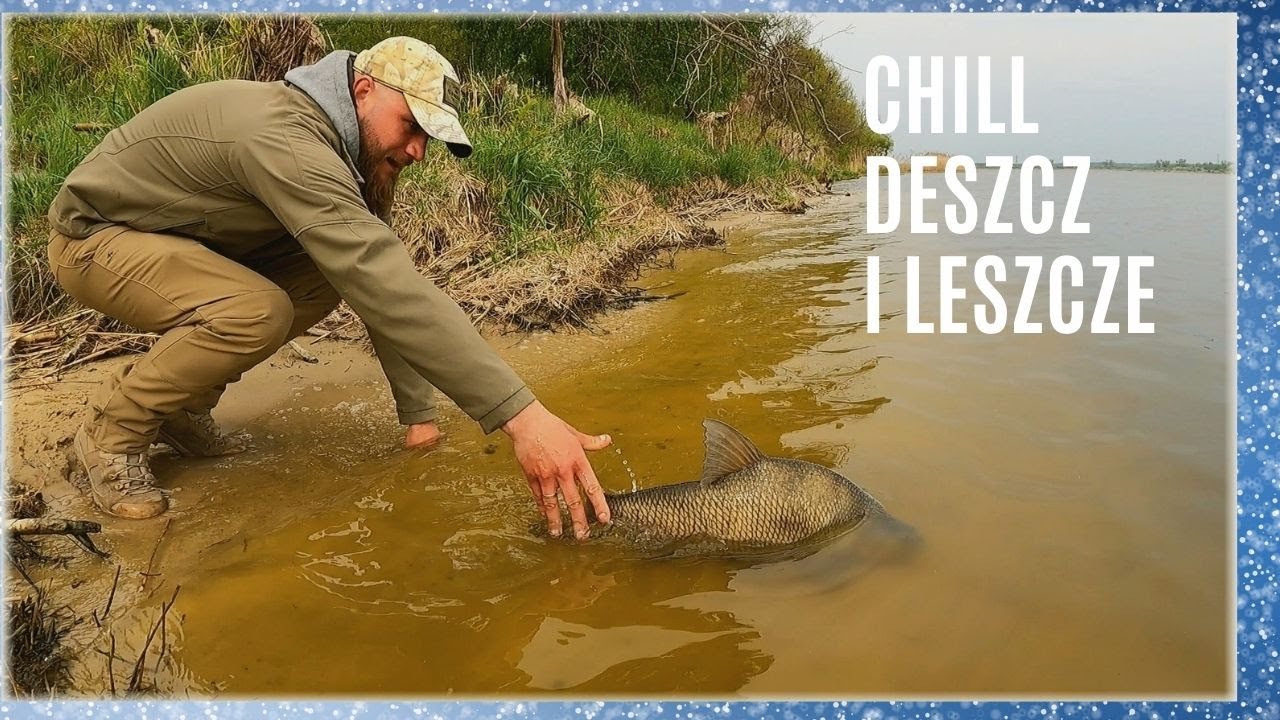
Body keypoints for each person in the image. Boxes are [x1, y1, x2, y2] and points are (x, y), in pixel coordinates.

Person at [45, 35, 611, 539]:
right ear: (363, 90)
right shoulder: (291, 140)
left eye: (427, 137)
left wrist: (419, 417)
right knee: (256, 310)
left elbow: (383, 281)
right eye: (410, 125)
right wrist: (525, 420)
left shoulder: (345, 156)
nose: (417, 150)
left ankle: (181, 409)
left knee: (321, 275)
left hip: (184, 243)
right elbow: (380, 277)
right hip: (94, 239)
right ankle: (113, 433)